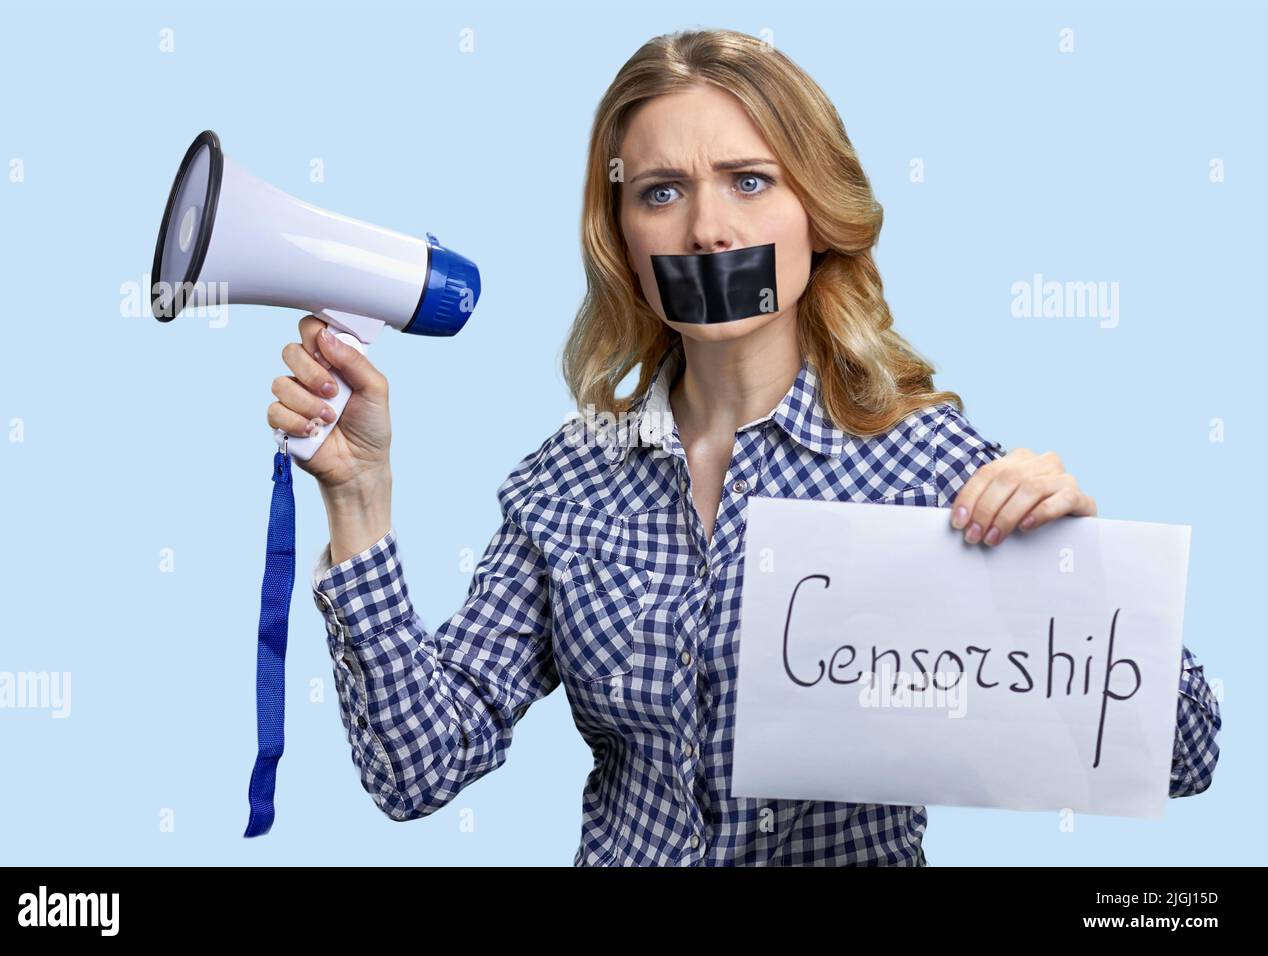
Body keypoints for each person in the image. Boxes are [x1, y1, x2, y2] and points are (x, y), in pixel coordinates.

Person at [267, 29, 1221, 866]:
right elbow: (418, 771)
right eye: (662, 192)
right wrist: (359, 500)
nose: (709, 228)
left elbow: (1186, 757)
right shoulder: (567, 477)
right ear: (625, 239)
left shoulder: (931, 464)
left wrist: (1077, 575)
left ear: (816, 211)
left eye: (750, 181)